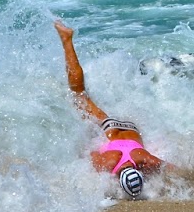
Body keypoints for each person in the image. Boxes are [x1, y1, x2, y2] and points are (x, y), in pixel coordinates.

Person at [55, 19, 168, 199]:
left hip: (131, 128)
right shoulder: (108, 165)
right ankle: (66, 40)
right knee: (78, 95)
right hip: (107, 130)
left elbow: (173, 169)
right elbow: (90, 155)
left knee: (82, 94)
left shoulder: (144, 159)